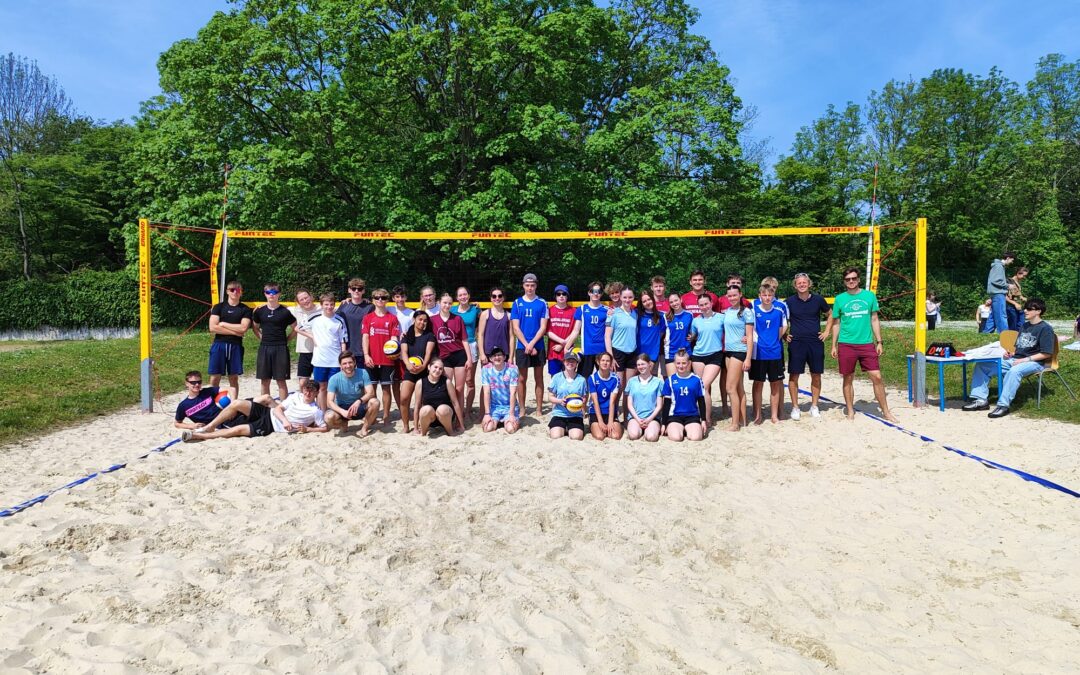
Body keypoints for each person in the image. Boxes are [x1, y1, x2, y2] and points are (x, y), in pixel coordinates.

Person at [963, 298, 1057, 418]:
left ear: (1038, 311)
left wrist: (1024, 360)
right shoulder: (1025, 326)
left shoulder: (1045, 328)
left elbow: (1047, 353)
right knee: (983, 365)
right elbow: (1020, 348)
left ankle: (1003, 405)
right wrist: (1011, 353)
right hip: (1016, 359)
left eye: (1029, 309)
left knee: (1014, 371)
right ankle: (980, 400)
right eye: (1025, 308)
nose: (1025, 311)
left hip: (1036, 362)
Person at [830, 267, 897, 422]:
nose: (851, 281)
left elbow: (874, 319)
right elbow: (836, 323)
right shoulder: (840, 299)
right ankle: (851, 410)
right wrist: (833, 345)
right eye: (848, 279)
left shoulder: (869, 296)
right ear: (844, 281)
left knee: (877, 377)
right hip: (846, 343)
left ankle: (886, 412)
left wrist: (879, 341)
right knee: (848, 378)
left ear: (859, 279)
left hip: (866, 343)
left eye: (853, 278)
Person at [181, 380, 327, 441]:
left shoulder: (316, 411)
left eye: (311, 391)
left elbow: (324, 428)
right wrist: (285, 420)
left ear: (316, 394)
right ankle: (209, 427)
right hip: (268, 413)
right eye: (307, 389)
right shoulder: (296, 396)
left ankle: (198, 437)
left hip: (269, 426)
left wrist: (308, 429)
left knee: (237, 430)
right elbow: (278, 409)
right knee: (237, 403)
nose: (308, 393)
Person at [784, 273, 833, 420]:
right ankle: (795, 407)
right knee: (794, 375)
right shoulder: (789, 302)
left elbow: (831, 314)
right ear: (795, 285)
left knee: (816, 374)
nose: (802, 285)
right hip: (796, 343)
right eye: (799, 283)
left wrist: (827, 332)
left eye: (804, 282)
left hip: (815, 342)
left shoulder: (818, 299)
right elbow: (779, 319)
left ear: (809, 284)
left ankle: (814, 406)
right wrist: (784, 335)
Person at [361, 288, 401, 426]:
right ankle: (373, 414)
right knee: (371, 390)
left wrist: (394, 351)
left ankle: (386, 415)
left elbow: (394, 338)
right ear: (373, 300)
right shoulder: (368, 318)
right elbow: (365, 337)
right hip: (371, 359)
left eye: (383, 298)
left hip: (387, 360)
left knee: (386, 389)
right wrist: (366, 355)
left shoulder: (392, 318)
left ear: (387, 300)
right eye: (377, 297)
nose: (380, 300)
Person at [207, 280, 253, 399]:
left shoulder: (245, 309)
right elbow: (212, 327)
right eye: (232, 290)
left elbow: (243, 328)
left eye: (238, 290)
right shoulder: (219, 307)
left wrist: (223, 324)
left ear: (241, 292)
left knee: (233, 377)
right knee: (215, 376)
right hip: (219, 344)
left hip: (235, 346)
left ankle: (234, 403)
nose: (235, 292)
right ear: (227, 291)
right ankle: (212, 402)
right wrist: (235, 332)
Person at [511, 273, 550, 414]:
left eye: (532, 285)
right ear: (523, 285)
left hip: (537, 346)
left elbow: (543, 327)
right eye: (527, 285)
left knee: (539, 378)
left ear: (536, 285)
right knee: (521, 378)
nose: (530, 288)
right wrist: (526, 344)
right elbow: (516, 328)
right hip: (522, 346)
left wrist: (532, 344)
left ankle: (539, 409)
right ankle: (522, 409)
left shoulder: (542, 303)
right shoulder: (517, 303)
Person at [252, 282, 297, 401]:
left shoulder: (285, 312)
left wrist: (286, 340)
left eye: (274, 292)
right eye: (268, 292)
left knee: (281, 380)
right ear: (265, 294)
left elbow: (296, 329)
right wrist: (261, 337)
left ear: (279, 294)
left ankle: (284, 407)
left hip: (280, 348)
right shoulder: (259, 311)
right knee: (264, 380)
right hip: (265, 347)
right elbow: (255, 327)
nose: (271, 295)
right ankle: (265, 406)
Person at [431, 292, 472, 419]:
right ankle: (447, 416)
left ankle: (459, 419)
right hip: (444, 357)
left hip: (459, 355)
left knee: (459, 389)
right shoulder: (432, 320)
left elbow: (465, 339)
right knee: (446, 388)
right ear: (439, 303)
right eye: (444, 303)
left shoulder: (457, 319)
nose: (447, 305)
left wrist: (469, 358)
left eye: (449, 303)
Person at [751, 284, 786, 425]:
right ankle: (758, 414)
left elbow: (784, 326)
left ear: (773, 296)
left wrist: (774, 340)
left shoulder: (778, 311)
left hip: (774, 353)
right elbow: (749, 328)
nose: (767, 297)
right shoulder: (754, 311)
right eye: (764, 295)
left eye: (769, 295)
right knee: (758, 384)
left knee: (775, 385)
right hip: (759, 353)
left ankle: (774, 415)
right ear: (760, 296)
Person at [721, 285, 755, 431]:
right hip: (728, 351)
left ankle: (735, 424)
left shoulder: (746, 312)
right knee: (739, 388)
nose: (732, 298)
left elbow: (749, 336)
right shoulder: (727, 311)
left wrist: (748, 358)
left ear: (740, 294)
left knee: (730, 388)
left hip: (739, 352)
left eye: (735, 295)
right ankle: (743, 419)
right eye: (729, 296)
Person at [325, 351, 380, 436]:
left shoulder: (363, 373)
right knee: (328, 418)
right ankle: (343, 423)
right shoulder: (334, 379)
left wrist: (359, 401)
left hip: (359, 405)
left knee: (375, 402)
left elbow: (371, 392)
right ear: (340, 365)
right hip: (342, 407)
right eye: (344, 363)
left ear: (354, 363)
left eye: (350, 362)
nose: (348, 366)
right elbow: (329, 402)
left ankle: (364, 428)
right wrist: (342, 411)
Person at [689, 294, 725, 426]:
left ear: (711, 303)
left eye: (706, 304)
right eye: (701, 305)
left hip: (715, 355)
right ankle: (701, 415)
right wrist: (689, 338)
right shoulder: (696, 320)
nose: (704, 307)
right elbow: (693, 336)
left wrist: (744, 337)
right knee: (702, 388)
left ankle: (707, 419)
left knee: (703, 385)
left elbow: (733, 331)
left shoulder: (721, 318)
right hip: (698, 355)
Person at [398, 310, 436, 434]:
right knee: (404, 398)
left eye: (425, 320)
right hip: (410, 370)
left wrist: (424, 366)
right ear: (414, 320)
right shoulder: (406, 336)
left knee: (420, 400)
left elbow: (428, 353)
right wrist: (408, 365)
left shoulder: (429, 335)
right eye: (420, 319)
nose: (422, 322)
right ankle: (405, 425)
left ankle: (419, 424)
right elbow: (404, 353)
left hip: (423, 371)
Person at [310, 293, 349, 410]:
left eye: (331, 304)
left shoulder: (339, 320)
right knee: (321, 387)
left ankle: (334, 412)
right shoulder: (315, 317)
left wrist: (343, 360)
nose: (329, 307)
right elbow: (298, 328)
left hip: (335, 360)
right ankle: (322, 412)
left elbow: (343, 341)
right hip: (320, 360)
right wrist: (312, 337)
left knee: (334, 388)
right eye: (326, 304)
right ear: (321, 305)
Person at [174, 370, 248, 430]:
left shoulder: (208, 391)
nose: (197, 384)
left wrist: (233, 408)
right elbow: (177, 423)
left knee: (256, 401)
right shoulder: (183, 405)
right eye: (193, 382)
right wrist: (191, 426)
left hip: (231, 413)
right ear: (187, 383)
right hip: (223, 422)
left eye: (199, 382)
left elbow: (232, 389)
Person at [661, 349, 707, 441]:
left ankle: (688, 429)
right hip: (675, 416)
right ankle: (678, 429)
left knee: (696, 437)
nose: (681, 366)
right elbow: (666, 404)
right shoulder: (669, 380)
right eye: (678, 363)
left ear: (689, 363)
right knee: (676, 438)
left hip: (692, 415)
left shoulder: (696, 379)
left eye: (683, 363)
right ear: (674, 363)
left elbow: (701, 401)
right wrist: (663, 424)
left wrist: (703, 420)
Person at [413, 357, 465, 436]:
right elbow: (417, 406)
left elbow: (455, 403)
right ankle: (423, 433)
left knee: (442, 409)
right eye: (435, 367)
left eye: (440, 369)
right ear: (429, 367)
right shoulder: (420, 383)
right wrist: (415, 428)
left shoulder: (447, 382)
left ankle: (450, 432)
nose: (437, 370)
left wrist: (461, 425)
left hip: (445, 415)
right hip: (430, 417)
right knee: (426, 409)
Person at [605, 287, 638, 412]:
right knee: (617, 386)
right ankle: (612, 413)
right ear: (621, 298)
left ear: (633, 298)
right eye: (625, 297)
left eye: (630, 297)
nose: (627, 299)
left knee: (628, 387)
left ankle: (626, 415)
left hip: (632, 352)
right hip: (618, 352)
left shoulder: (635, 313)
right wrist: (611, 356)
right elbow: (607, 336)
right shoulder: (614, 313)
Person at [453, 286, 482, 418]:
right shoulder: (452, 309)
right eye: (460, 295)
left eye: (465, 294)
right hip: (456, 346)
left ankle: (468, 410)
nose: (463, 297)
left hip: (471, 344)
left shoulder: (475, 309)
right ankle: (457, 407)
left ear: (469, 296)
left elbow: (482, 327)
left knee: (469, 380)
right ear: (457, 298)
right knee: (456, 381)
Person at [547, 352, 588, 440]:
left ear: (577, 363)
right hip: (559, 413)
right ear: (564, 362)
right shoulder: (556, 377)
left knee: (576, 437)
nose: (570, 363)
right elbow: (550, 396)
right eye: (568, 360)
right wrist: (560, 401)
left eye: (573, 361)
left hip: (575, 414)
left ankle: (568, 428)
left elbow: (584, 397)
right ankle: (562, 428)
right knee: (555, 436)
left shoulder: (582, 380)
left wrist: (581, 403)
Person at [480, 347, 522, 434]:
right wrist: (487, 414)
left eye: (499, 355)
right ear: (490, 359)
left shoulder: (512, 369)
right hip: (494, 407)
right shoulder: (486, 369)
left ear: (504, 357)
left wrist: (511, 414)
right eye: (494, 355)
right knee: (487, 428)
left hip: (508, 406)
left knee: (511, 429)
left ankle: (508, 420)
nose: (497, 357)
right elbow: (486, 392)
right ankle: (497, 421)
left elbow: (513, 393)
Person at [625, 354, 664, 441]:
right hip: (635, 417)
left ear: (649, 364)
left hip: (652, 417)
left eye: (643, 364)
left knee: (651, 437)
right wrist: (638, 420)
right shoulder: (632, 381)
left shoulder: (658, 382)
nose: (640, 367)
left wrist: (649, 419)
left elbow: (659, 406)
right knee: (633, 435)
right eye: (638, 365)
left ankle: (650, 428)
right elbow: (630, 404)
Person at [574, 281, 609, 379]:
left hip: (601, 351)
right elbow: (576, 331)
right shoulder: (582, 309)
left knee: (604, 379)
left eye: (598, 291)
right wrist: (566, 346)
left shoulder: (607, 310)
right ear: (589, 293)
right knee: (583, 380)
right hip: (587, 350)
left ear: (601, 293)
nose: (595, 293)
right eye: (593, 291)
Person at [289, 289, 322, 390]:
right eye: (301, 299)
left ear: (311, 297)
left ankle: (322, 403)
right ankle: (304, 403)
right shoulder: (296, 310)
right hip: (305, 350)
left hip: (320, 350)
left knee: (320, 382)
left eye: (306, 297)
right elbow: (280, 307)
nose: (305, 301)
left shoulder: (322, 308)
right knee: (303, 382)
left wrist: (346, 300)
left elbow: (339, 306)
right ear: (298, 302)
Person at [546, 284, 579, 381]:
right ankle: (555, 396)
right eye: (558, 294)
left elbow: (575, 331)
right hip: (554, 351)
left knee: (569, 377)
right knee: (555, 378)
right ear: (555, 296)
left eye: (564, 294)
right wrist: (562, 342)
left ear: (567, 296)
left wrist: (564, 345)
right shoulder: (549, 311)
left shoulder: (574, 311)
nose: (561, 296)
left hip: (568, 350)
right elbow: (547, 331)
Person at [337, 277, 373, 363]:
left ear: (363, 291)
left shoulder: (370, 307)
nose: (356, 291)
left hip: (364, 350)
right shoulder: (343, 305)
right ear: (349, 290)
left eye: (359, 289)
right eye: (354, 288)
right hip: (346, 349)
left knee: (363, 376)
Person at [588, 352, 622, 441]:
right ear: (598, 362)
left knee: (615, 436)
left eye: (607, 361)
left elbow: (612, 402)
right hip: (595, 412)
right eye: (603, 360)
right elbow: (595, 402)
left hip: (609, 412)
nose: (605, 363)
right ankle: (593, 424)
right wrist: (600, 421)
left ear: (611, 363)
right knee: (600, 436)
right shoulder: (592, 378)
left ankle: (613, 423)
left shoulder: (615, 379)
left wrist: (610, 421)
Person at [477, 287, 512, 368]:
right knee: (488, 380)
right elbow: (480, 335)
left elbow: (511, 337)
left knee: (504, 380)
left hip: (504, 354)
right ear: (491, 298)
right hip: (488, 354)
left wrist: (510, 356)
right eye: (494, 296)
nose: (497, 298)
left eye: (500, 296)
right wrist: (482, 354)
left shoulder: (509, 315)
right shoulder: (485, 314)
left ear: (503, 298)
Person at [635, 289, 667, 374]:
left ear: (653, 299)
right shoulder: (637, 314)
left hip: (653, 353)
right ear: (641, 304)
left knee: (651, 380)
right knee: (639, 380)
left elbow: (661, 333)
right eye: (644, 301)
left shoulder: (661, 316)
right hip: (639, 352)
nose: (648, 302)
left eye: (649, 299)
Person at [664, 293, 695, 377]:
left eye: (676, 300)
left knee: (685, 380)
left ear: (680, 300)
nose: (674, 303)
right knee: (673, 382)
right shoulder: (666, 317)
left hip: (686, 351)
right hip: (671, 352)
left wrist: (693, 337)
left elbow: (693, 331)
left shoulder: (689, 315)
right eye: (671, 302)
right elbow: (661, 332)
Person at [984, 251, 1015, 333]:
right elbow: (996, 281)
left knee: (993, 315)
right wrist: (1008, 286)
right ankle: (1004, 335)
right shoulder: (999, 267)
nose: (1012, 262)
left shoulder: (998, 266)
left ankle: (986, 333)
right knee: (1002, 315)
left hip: (996, 293)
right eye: (1012, 260)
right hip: (998, 294)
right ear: (1008, 258)